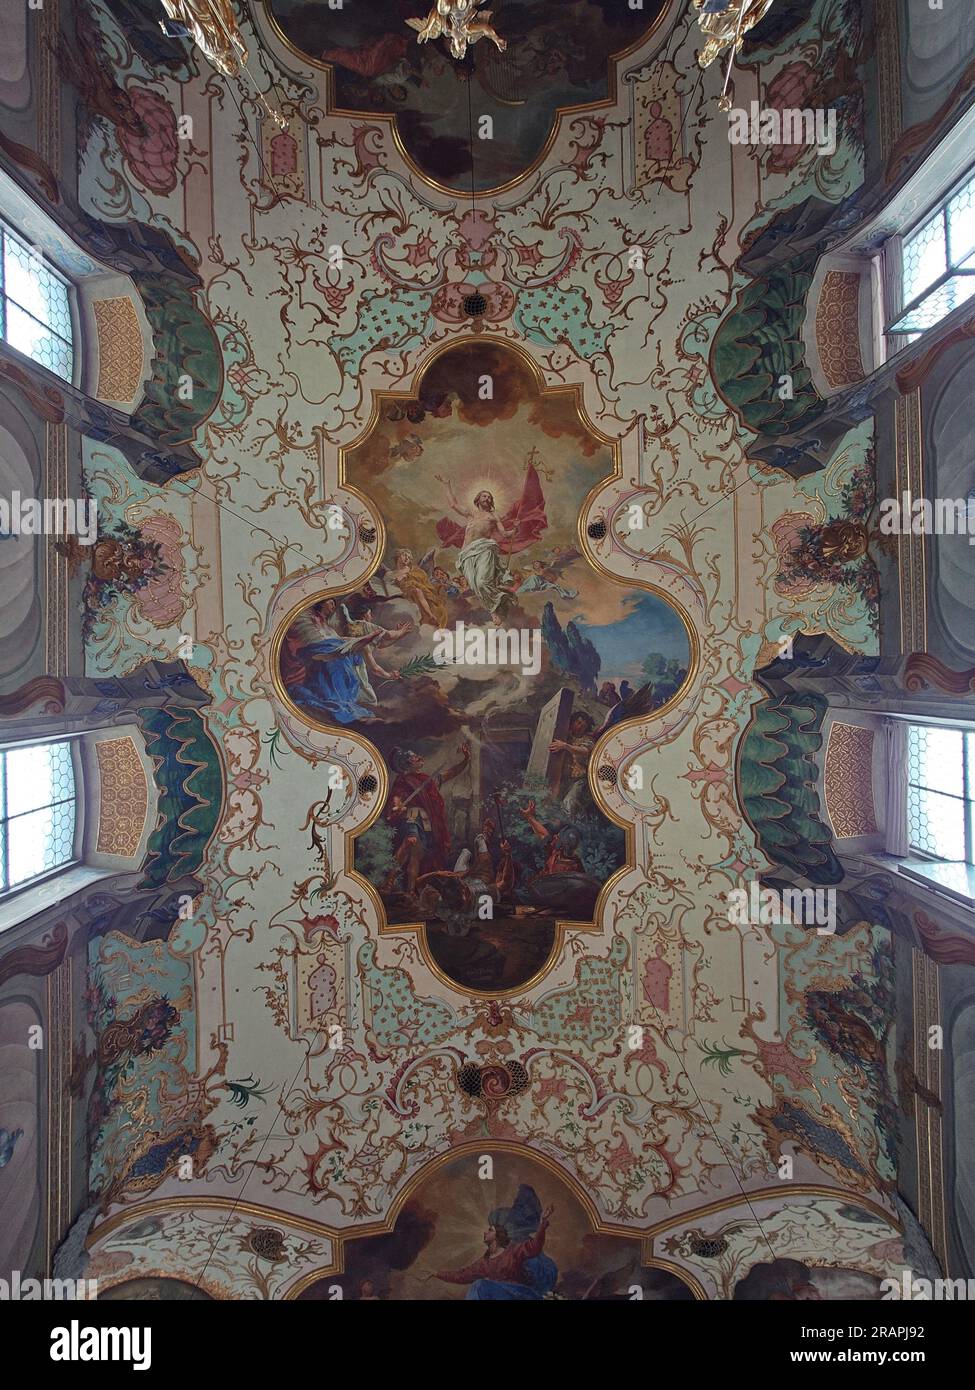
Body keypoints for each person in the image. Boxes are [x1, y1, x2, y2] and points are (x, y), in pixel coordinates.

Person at [431, 1190, 556, 1300]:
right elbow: (462, 1275)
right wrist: (436, 1273)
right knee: (480, 1287)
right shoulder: (485, 1262)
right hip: (500, 1295)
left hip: (520, 1294)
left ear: (498, 1236)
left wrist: (543, 1222)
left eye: (490, 1230)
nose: (485, 1232)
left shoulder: (513, 1251)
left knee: (479, 1286)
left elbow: (535, 1246)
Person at [384, 743, 471, 894]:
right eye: (414, 757)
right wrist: (397, 807)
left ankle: (411, 891)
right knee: (410, 841)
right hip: (411, 818)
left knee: (416, 854)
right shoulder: (403, 780)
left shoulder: (426, 779)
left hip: (425, 823)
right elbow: (396, 798)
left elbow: (450, 773)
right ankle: (389, 881)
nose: (419, 757)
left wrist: (466, 759)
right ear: (407, 763)